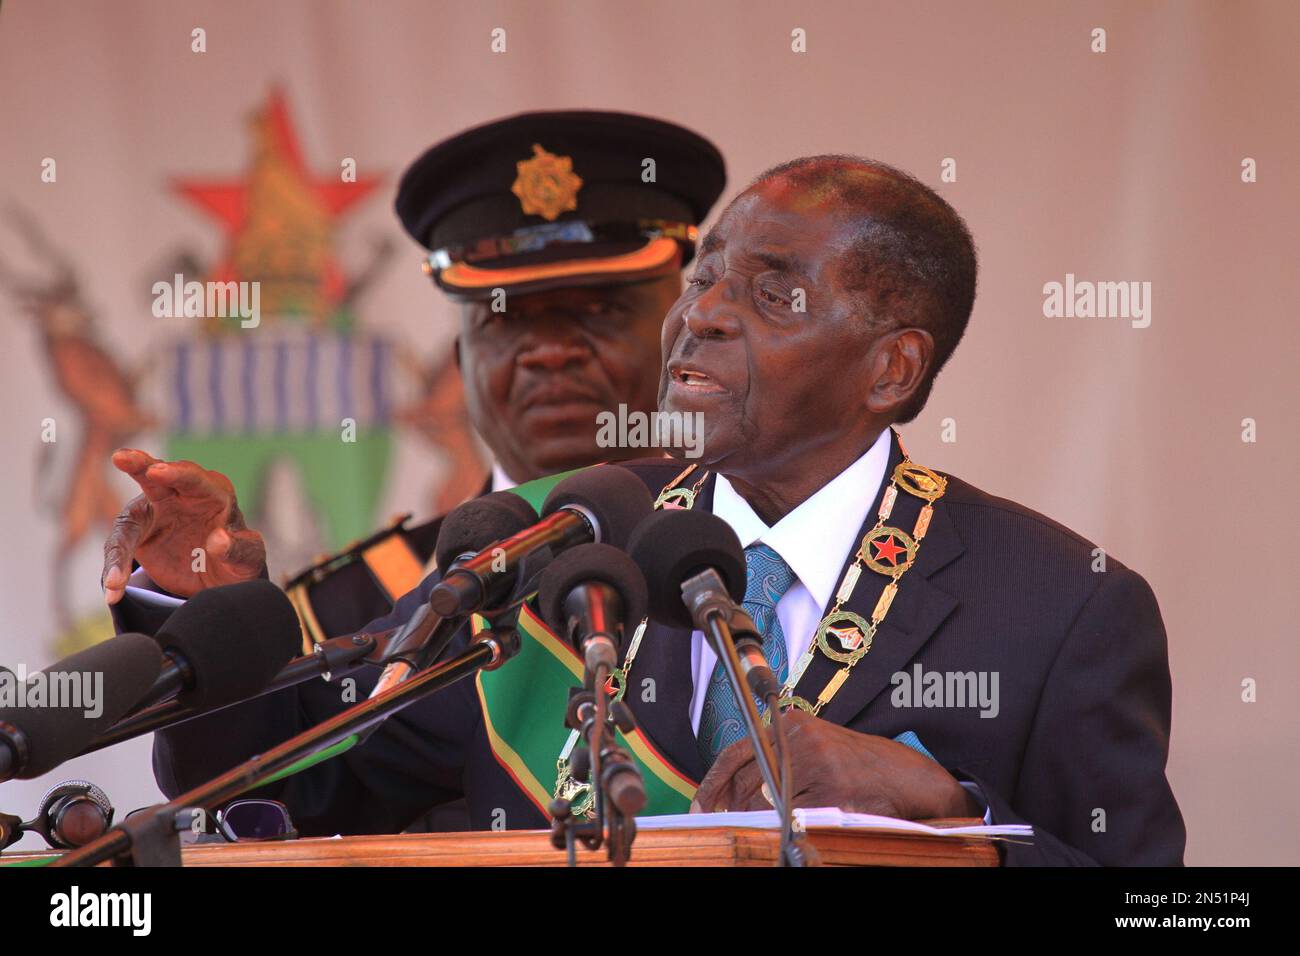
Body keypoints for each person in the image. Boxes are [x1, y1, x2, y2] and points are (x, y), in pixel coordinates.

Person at [137, 155, 1184, 866]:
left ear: (890, 368)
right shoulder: (567, 541)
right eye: (709, 277)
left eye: (772, 294)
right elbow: (309, 794)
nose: (704, 315)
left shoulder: (1058, 604)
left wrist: (952, 812)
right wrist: (205, 611)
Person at [101, 110, 726, 642]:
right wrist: (204, 604)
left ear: (683, 339)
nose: (549, 353)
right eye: (507, 321)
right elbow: (256, 779)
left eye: (599, 310)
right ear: (460, 364)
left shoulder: (764, 553)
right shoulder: (354, 606)